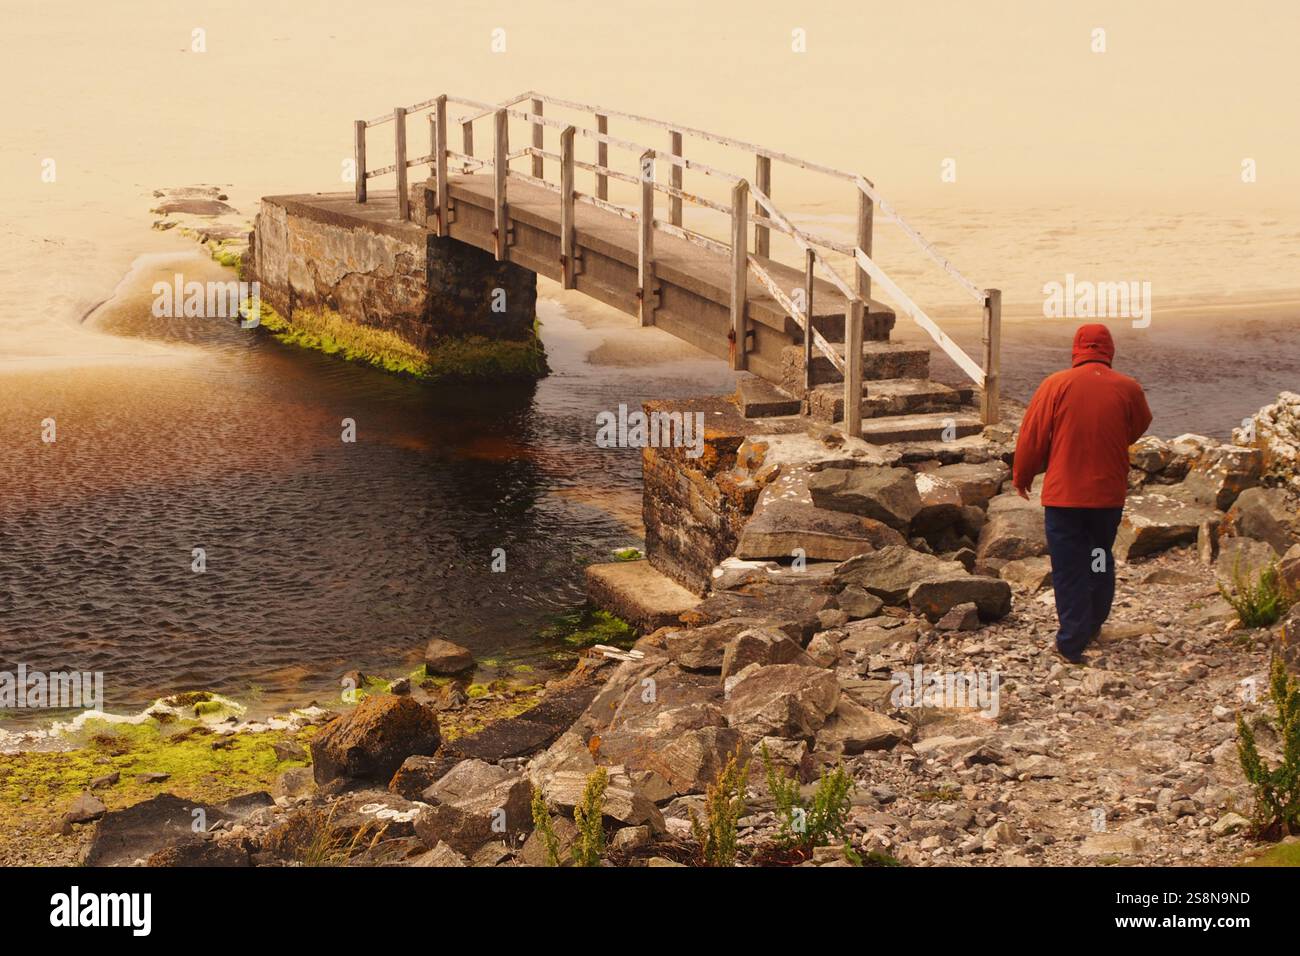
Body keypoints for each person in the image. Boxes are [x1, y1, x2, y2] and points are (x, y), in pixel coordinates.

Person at [1012, 323, 1153, 663]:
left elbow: (1033, 436)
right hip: (1107, 495)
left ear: (1076, 349)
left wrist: (1022, 474)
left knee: (1068, 566)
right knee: (1099, 556)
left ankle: (1072, 641)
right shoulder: (1128, 387)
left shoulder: (1055, 384)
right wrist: (1114, 440)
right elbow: (1141, 424)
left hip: (1065, 496)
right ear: (1110, 350)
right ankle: (1093, 623)